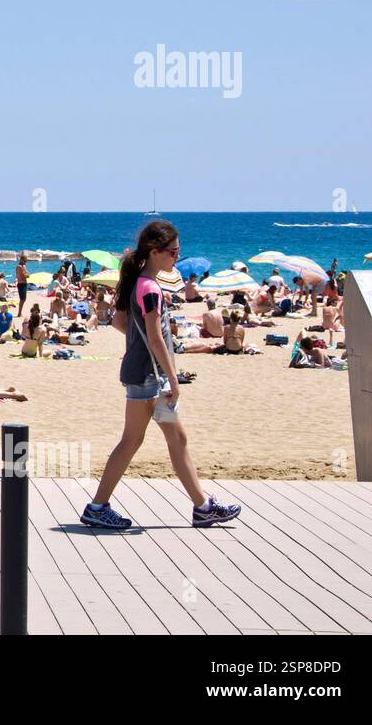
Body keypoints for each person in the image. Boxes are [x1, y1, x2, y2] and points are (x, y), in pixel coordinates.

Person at [81, 220, 241, 529]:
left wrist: (139, 345)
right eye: (173, 252)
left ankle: (202, 505)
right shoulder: (151, 288)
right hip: (150, 377)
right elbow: (155, 338)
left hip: (141, 372)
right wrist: (174, 377)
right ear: (155, 252)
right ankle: (98, 506)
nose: (176, 258)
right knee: (136, 441)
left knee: (168, 438)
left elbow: (119, 322)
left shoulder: (137, 282)